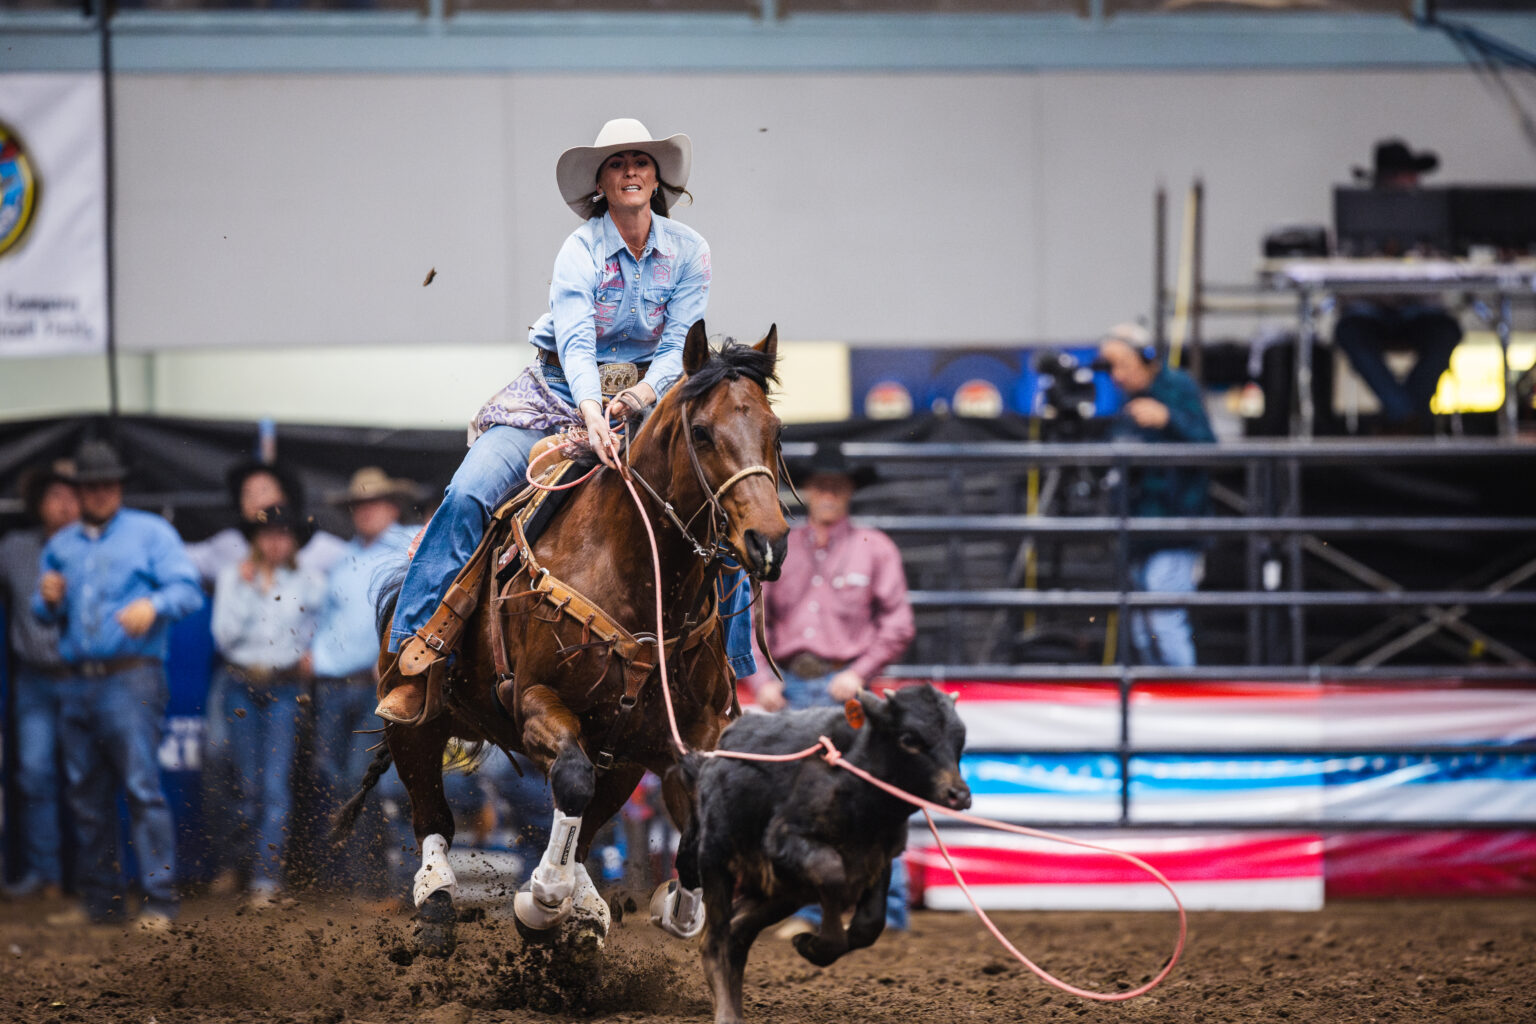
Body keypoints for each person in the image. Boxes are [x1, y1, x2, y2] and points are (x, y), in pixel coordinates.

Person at [377, 116, 753, 725]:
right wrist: (590, 412)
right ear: (600, 184)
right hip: (553, 397)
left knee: (720, 503)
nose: (631, 170)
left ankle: (727, 674)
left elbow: (680, 341)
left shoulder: (691, 250)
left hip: (647, 406)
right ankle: (415, 657)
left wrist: (633, 403)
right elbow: (576, 342)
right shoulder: (580, 248)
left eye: (641, 160)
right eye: (617, 163)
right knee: (470, 492)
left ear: (656, 177)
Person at [742, 442, 916, 933]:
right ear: (809, 490)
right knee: (799, 806)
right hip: (792, 687)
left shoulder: (875, 548)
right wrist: (761, 679)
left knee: (876, 797)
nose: (828, 494)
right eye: (821, 485)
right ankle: (810, 910)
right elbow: (755, 619)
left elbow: (897, 624)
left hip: (848, 690)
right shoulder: (783, 545)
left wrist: (859, 671)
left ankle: (889, 908)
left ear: (850, 492)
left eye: (837, 486)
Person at [33, 440, 204, 928]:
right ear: (81, 490)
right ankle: (101, 904)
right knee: (86, 796)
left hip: (132, 677)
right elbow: (41, 612)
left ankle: (158, 901)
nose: (102, 491)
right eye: (92, 485)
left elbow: (187, 589)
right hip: (76, 682)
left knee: (141, 788)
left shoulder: (150, 533)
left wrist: (154, 605)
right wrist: (45, 600)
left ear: (120, 486)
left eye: (109, 483)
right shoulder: (61, 545)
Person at [305, 468, 418, 896]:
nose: (366, 511)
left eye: (374, 503)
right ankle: (361, 882)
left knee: (362, 778)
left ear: (391, 505)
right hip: (332, 683)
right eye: (360, 505)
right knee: (334, 778)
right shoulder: (340, 557)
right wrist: (312, 650)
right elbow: (330, 615)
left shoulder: (412, 545)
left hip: (378, 685)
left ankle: (380, 886)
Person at [209, 503, 326, 907]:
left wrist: (317, 654)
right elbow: (223, 637)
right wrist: (251, 589)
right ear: (256, 540)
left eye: (283, 533)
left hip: (285, 686)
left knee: (274, 787)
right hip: (240, 683)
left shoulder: (310, 581)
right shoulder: (232, 578)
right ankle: (239, 866)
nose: (275, 541)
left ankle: (264, 880)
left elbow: (326, 626)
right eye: (268, 534)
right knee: (246, 785)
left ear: (293, 540)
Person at [1096, 323, 1216, 668]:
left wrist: (1168, 418)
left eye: (1122, 364)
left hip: (1177, 523)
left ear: (1146, 358)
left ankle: (1184, 696)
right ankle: (1155, 699)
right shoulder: (1127, 404)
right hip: (1138, 528)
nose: (1116, 376)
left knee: (1163, 615)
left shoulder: (1177, 388)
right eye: (1111, 367)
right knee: (1140, 627)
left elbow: (1208, 446)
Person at [1334, 139, 1462, 432]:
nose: (1412, 181)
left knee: (1446, 333)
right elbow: (1344, 285)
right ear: (1385, 179)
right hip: (1369, 316)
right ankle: (1410, 418)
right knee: (1350, 333)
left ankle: (1401, 417)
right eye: (1405, 174)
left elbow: (1441, 277)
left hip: (1419, 314)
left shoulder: (1433, 221)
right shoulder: (1355, 221)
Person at [0, 459, 79, 900]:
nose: (64, 505)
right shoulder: (14, 548)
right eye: (55, 495)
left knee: (88, 778)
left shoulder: (93, 547)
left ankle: (95, 878)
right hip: (33, 681)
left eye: (72, 495)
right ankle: (46, 877)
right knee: (34, 774)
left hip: (85, 678)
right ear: (37, 503)